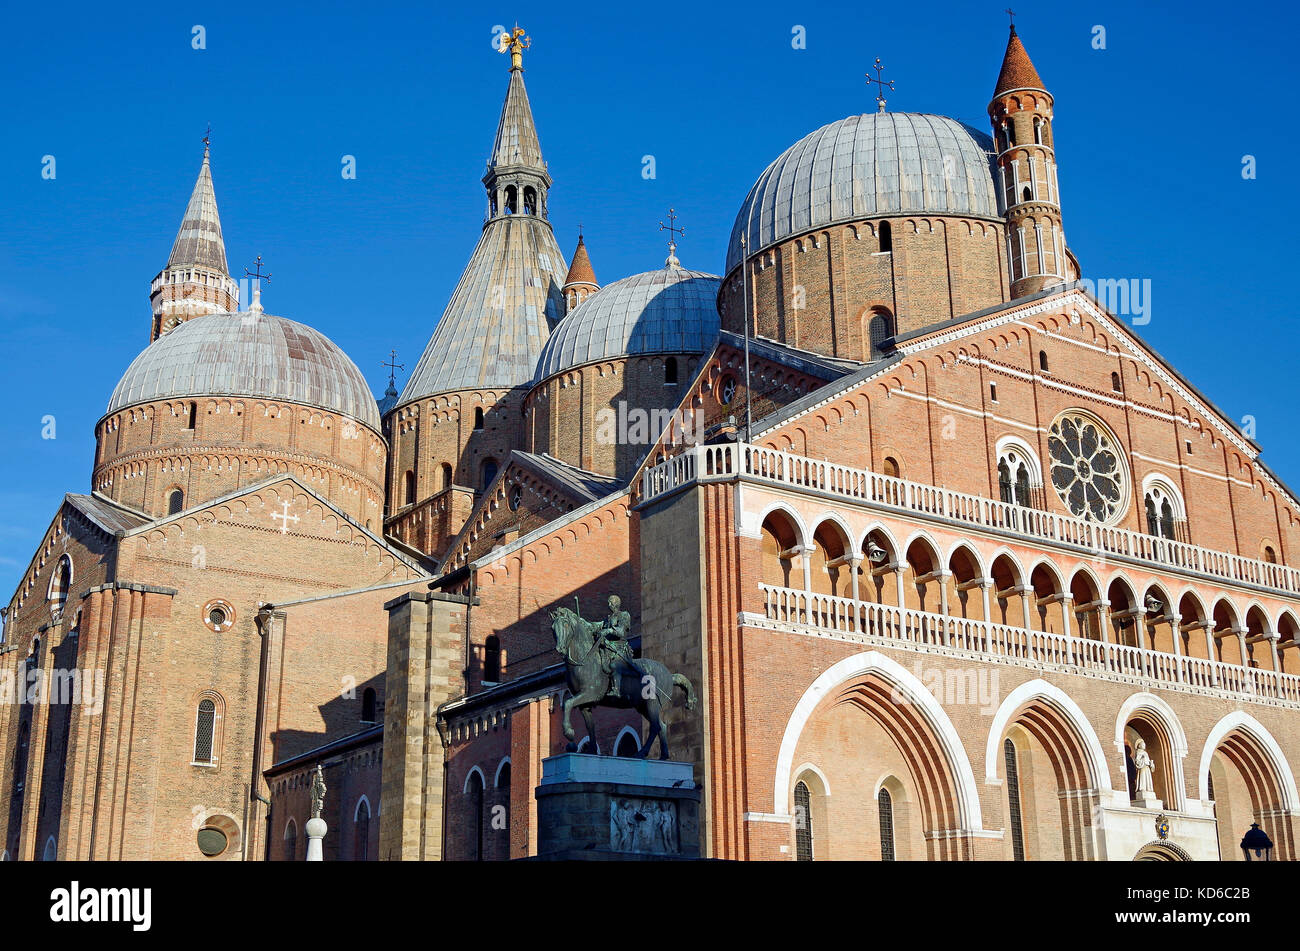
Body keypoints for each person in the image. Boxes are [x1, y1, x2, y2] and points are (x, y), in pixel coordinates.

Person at [599, 595, 636, 695]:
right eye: (608, 602)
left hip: (620, 650)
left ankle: (616, 690)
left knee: (614, 665)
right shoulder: (608, 619)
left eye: (611, 602)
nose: (609, 604)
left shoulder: (624, 615)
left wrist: (609, 630)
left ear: (616, 603)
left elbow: (621, 632)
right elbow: (597, 626)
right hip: (608, 648)